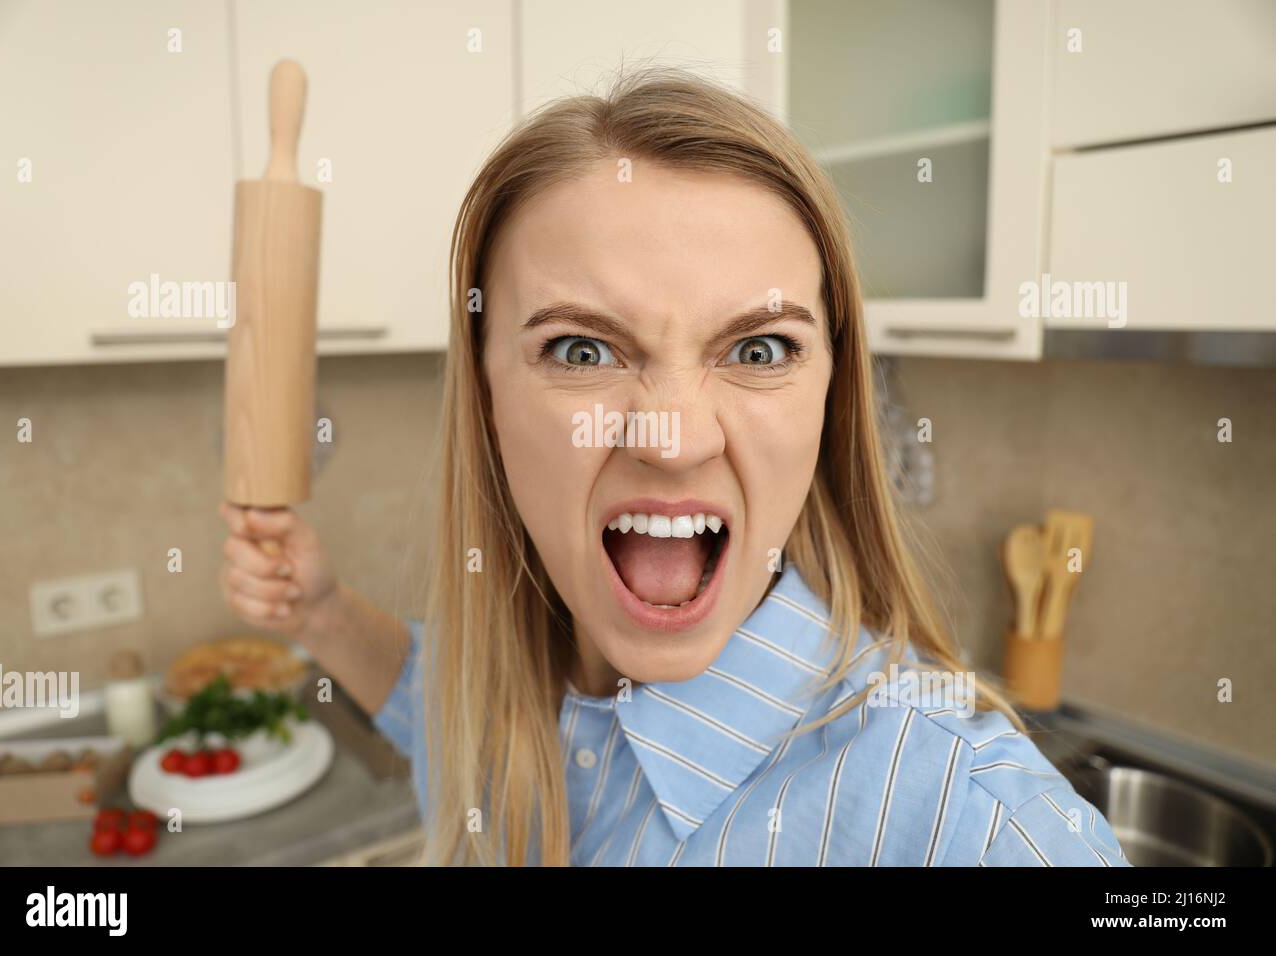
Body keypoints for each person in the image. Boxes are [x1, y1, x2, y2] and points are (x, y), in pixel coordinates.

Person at [220, 69, 1128, 868]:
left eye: (761, 348)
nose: (673, 437)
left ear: (828, 399)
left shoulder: (975, 825)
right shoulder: (527, 683)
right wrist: (323, 614)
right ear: (486, 406)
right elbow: (451, 713)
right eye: (581, 351)